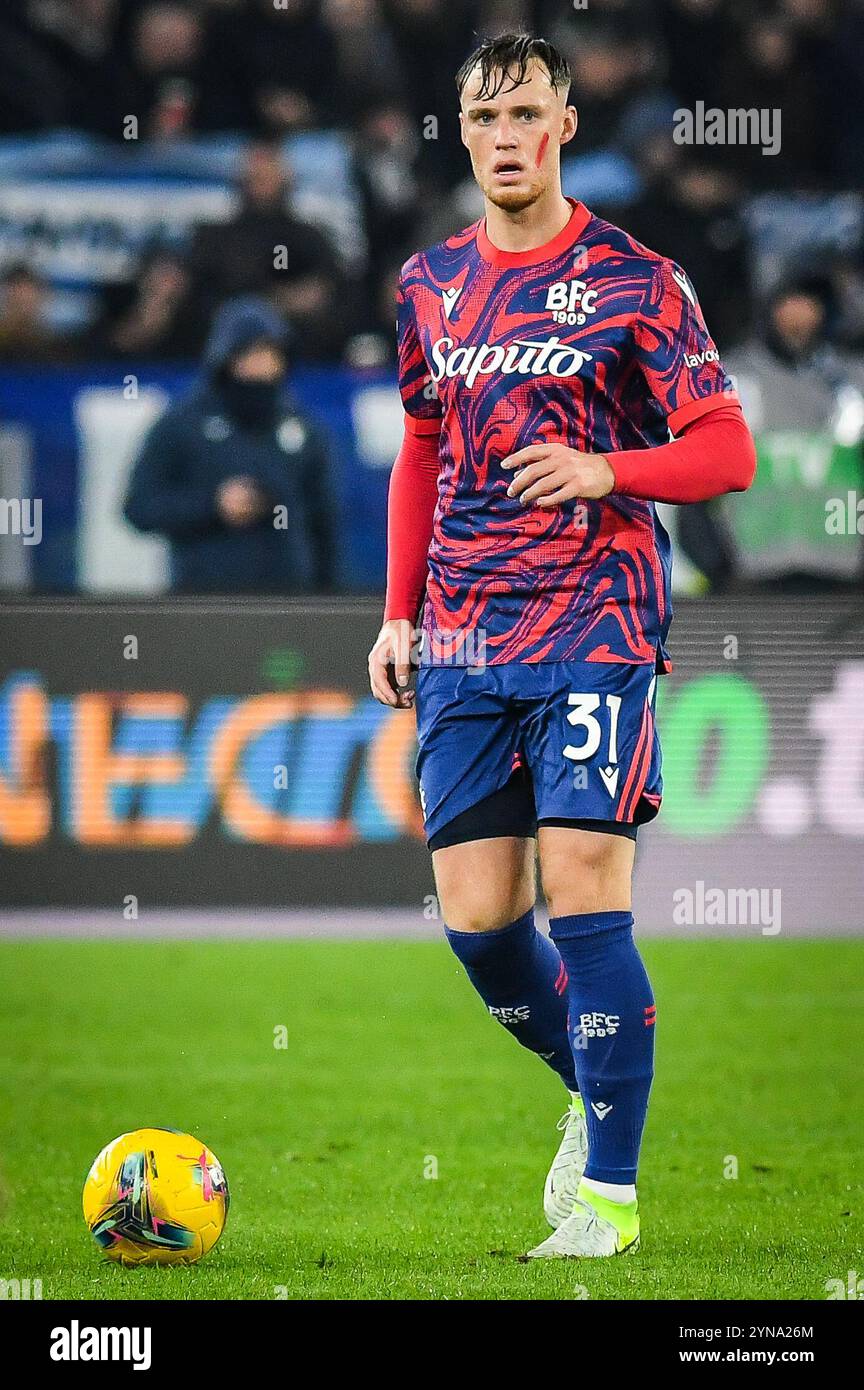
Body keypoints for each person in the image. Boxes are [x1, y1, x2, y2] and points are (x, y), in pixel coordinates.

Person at [367, 33, 755, 1258]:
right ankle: (592, 1100)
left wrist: (606, 466)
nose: (504, 136)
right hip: (466, 633)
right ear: (464, 133)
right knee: (481, 922)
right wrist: (395, 611)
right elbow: (424, 449)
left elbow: (725, 450)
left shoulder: (639, 279)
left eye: (527, 112)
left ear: (565, 126)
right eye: (483, 117)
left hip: (597, 616)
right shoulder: (428, 285)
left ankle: (611, 1205)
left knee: (585, 881)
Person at [124, 297, 334, 593]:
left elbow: (324, 521)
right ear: (225, 357)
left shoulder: (303, 427)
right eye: (250, 352)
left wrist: (329, 600)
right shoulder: (182, 424)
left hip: (288, 607)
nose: (262, 365)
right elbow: (139, 506)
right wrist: (213, 505)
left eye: (271, 352)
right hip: (206, 605)